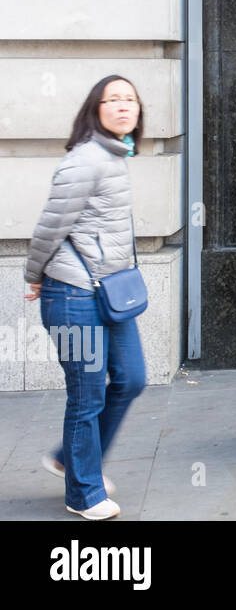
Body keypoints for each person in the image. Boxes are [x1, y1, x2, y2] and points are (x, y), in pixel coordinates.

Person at [23, 76, 148, 520]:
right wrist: (34, 275)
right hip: (72, 293)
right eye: (112, 99)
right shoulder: (86, 160)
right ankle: (84, 492)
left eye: (129, 99)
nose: (122, 106)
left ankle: (68, 459)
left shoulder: (116, 154)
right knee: (88, 392)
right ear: (95, 108)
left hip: (108, 291)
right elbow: (49, 226)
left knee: (131, 378)